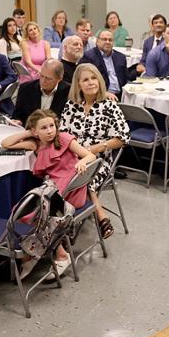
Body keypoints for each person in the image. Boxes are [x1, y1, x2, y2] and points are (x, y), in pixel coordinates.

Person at [1, 109, 96, 279]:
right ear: (35, 132)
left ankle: (57, 255)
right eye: (44, 128)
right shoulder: (35, 144)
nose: (50, 130)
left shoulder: (64, 138)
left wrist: (82, 161)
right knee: (25, 211)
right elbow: (6, 143)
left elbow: (90, 155)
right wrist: (28, 132)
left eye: (52, 125)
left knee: (40, 212)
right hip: (54, 188)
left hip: (71, 187)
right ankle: (34, 253)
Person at [59, 64, 129, 239]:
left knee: (83, 179)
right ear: (78, 85)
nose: (91, 83)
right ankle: (62, 222)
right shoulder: (72, 105)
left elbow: (123, 137)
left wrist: (94, 149)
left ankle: (95, 218)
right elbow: (62, 133)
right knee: (54, 178)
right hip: (72, 156)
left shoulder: (109, 106)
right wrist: (76, 151)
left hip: (99, 160)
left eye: (93, 78)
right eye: (85, 80)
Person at [11, 59, 71, 126]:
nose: (43, 81)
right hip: (30, 131)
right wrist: (19, 122)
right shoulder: (26, 88)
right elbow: (17, 116)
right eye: (41, 76)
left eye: (48, 78)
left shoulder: (69, 92)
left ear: (59, 79)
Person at [79, 29, 136, 98]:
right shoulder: (89, 57)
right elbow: (85, 81)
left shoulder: (121, 57)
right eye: (104, 39)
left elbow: (126, 78)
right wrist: (103, 93)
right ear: (97, 41)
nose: (107, 42)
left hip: (121, 95)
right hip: (100, 96)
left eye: (110, 40)